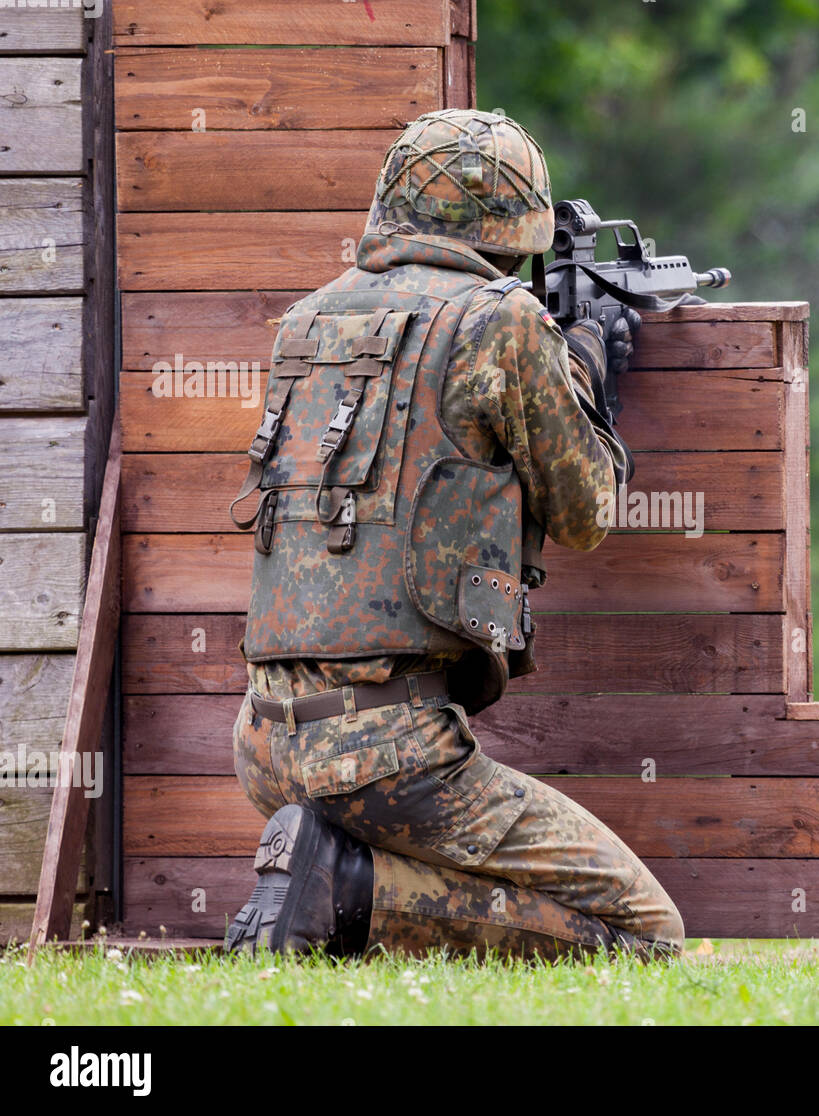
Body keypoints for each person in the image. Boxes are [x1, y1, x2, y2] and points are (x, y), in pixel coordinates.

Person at [223, 109, 684, 963]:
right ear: (511, 231)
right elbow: (585, 514)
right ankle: (345, 890)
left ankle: (328, 872)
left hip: (264, 743)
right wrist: (584, 374)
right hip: (390, 753)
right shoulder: (500, 321)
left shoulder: (307, 322)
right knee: (647, 932)